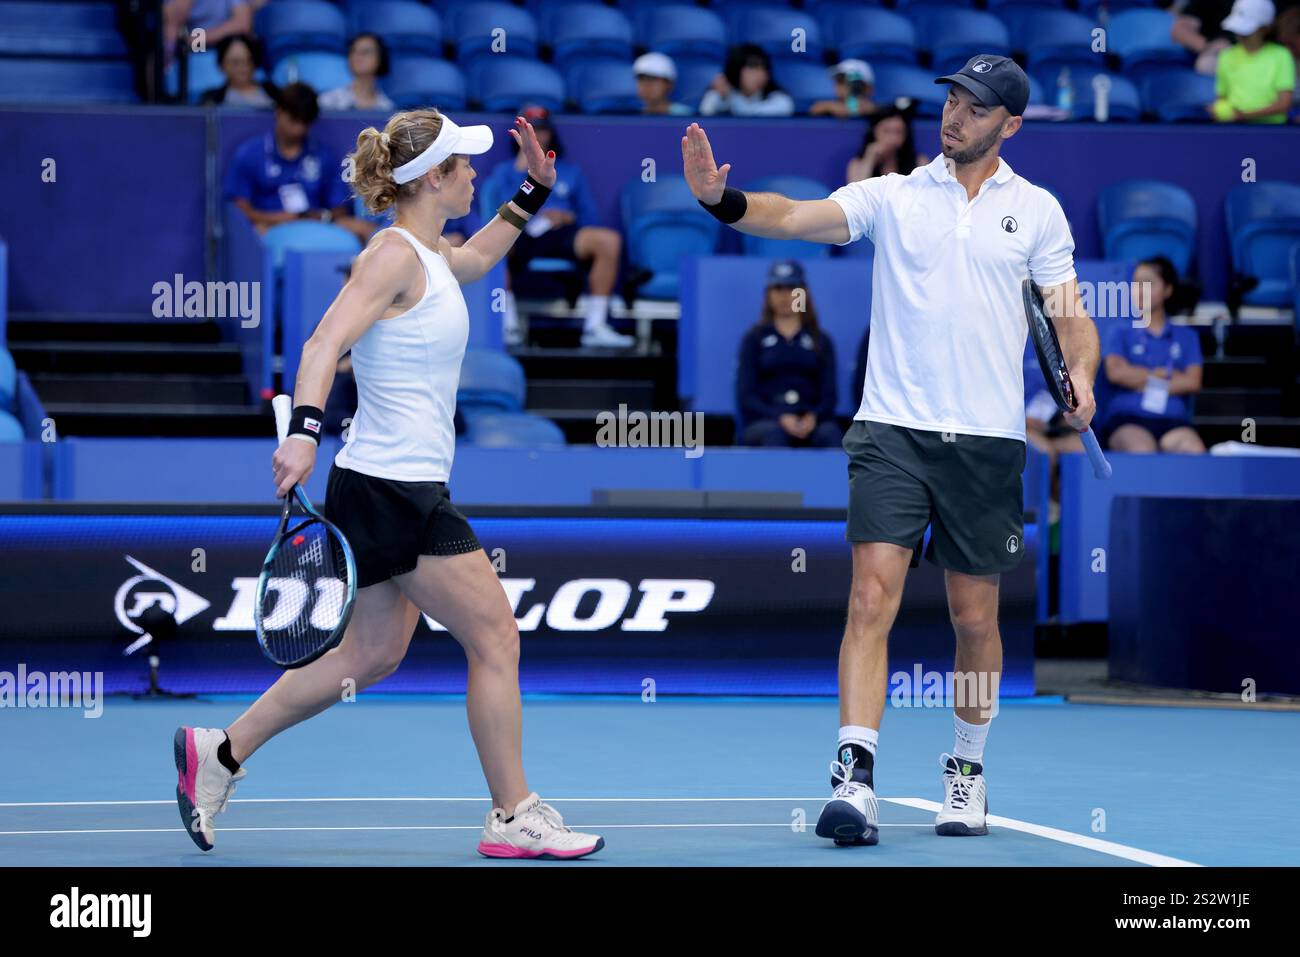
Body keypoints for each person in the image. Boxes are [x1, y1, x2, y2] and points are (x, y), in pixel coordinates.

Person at [682, 53, 1099, 847]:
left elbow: (1068, 311)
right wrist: (719, 199)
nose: (954, 117)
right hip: (892, 431)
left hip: (984, 441)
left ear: (1010, 124)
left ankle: (966, 772)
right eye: (951, 102)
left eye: (976, 109)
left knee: (975, 617)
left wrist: (1080, 371)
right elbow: (794, 216)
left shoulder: (1039, 212)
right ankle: (855, 779)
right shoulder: (895, 195)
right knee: (871, 597)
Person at [175, 108, 604, 861]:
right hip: (391, 489)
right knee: (496, 636)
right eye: (465, 165)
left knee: (368, 657)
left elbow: (477, 259)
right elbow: (321, 341)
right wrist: (304, 433)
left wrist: (533, 192)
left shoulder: (433, 254)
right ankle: (513, 813)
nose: (477, 172)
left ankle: (220, 751)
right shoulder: (391, 256)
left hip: (388, 484)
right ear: (433, 177)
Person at [481, 104, 632, 348]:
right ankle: (506, 325)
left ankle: (595, 326)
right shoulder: (504, 172)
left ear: (551, 134)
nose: (537, 137)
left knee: (608, 241)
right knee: (497, 246)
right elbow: (495, 214)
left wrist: (567, 217)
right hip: (520, 234)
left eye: (542, 131)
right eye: (530, 131)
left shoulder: (570, 172)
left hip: (560, 235)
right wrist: (521, 168)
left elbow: (590, 217)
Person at [223, 82, 376, 243]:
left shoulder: (323, 156)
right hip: (269, 225)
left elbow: (339, 208)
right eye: (294, 120)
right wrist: (281, 218)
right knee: (256, 232)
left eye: (305, 122)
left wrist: (321, 216)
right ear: (279, 112)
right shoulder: (250, 154)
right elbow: (239, 210)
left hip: (315, 224)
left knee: (366, 229)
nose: (299, 129)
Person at [1100, 257, 1206, 453]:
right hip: (1128, 419)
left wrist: (1137, 377)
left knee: (1194, 448)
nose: (1140, 290)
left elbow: (1192, 381)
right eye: (1136, 284)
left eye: (1148, 283)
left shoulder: (1187, 336)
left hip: (1174, 421)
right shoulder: (1119, 332)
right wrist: (1160, 376)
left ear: (1167, 289)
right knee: (1141, 448)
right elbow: (1116, 373)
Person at [736, 260, 842, 448]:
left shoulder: (820, 340)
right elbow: (746, 397)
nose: (785, 296)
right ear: (768, 295)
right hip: (768, 419)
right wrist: (779, 417)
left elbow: (829, 396)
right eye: (777, 288)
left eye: (792, 288)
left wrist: (814, 417)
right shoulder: (754, 339)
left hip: (810, 419)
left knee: (830, 434)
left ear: (804, 293)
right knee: (774, 435)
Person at [1209, 0, 1296, 122]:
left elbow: (1284, 103)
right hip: (1234, 129)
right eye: (1237, 29)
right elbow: (1222, 98)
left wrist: (1244, 116)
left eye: (1246, 31)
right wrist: (1217, 110)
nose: (1240, 35)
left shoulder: (1282, 55)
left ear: (1266, 28)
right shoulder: (1226, 56)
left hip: (1274, 131)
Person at [699, 44, 794, 117]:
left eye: (764, 68)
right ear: (736, 69)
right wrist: (719, 95)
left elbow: (750, 115)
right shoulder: (721, 95)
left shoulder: (779, 99)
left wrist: (732, 100)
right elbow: (704, 115)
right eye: (753, 67)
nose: (760, 74)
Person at [845, 105, 929, 184]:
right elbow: (857, 194)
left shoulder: (920, 163)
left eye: (898, 132)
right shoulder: (857, 164)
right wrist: (870, 158)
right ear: (874, 132)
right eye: (886, 131)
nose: (892, 138)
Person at [319, 33, 395, 112]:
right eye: (353, 51)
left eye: (365, 52)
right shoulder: (327, 102)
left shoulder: (387, 109)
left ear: (381, 59)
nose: (357, 56)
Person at [199, 34, 277, 108]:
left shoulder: (273, 92)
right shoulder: (211, 99)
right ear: (222, 65)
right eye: (235, 62)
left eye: (248, 60)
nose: (243, 67)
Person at [163, 0, 251, 64]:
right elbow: (172, 25)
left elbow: (242, 24)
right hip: (183, 55)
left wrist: (195, 40)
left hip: (221, 50)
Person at [810, 59, 877, 118]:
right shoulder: (827, 106)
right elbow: (815, 109)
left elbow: (869, 109)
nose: (842, 86)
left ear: (868, 88)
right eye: (840, 81)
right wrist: (831, 107)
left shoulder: (877, 110)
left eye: (853, 82)